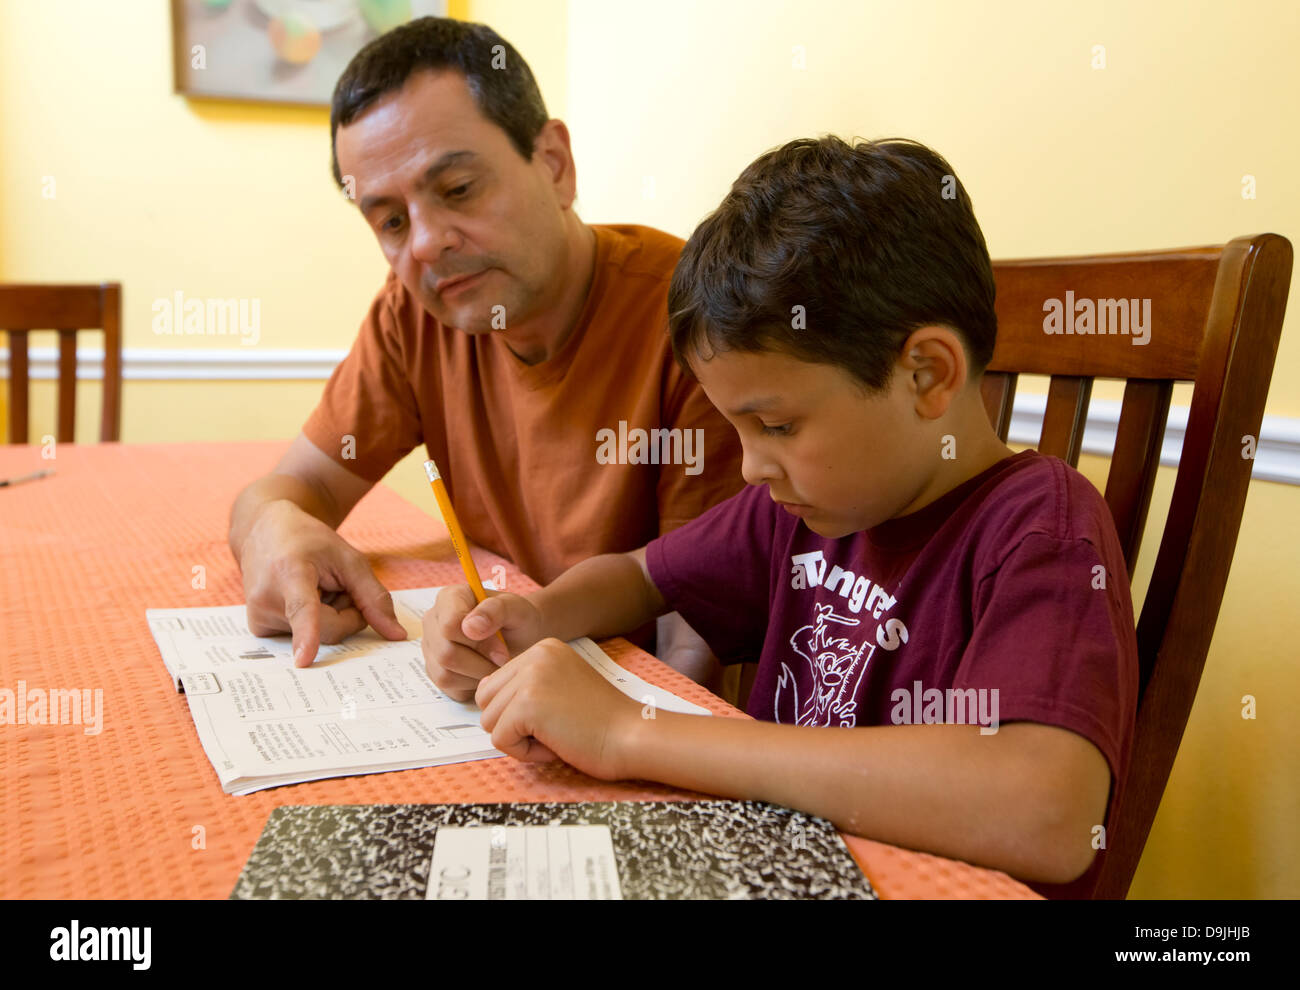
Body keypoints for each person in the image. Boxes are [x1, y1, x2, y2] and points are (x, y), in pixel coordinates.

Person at [422, 136, 1140, 898]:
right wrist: (534, 614)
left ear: (927, 374)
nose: (751, 467)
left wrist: (631, 733)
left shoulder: (1040, 527)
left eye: (779, 426)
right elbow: (638, 576)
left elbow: (1049, 812)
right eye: (739, 429)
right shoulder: (805, 510)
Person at [227, 17, 743, 685]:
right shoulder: (412, 314)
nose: (424, 243)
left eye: (458, 190)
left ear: (554, 165)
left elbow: (692, 651)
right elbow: (298, 487)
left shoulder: (690, 317)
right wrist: (274, 528)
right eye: (389, 220)